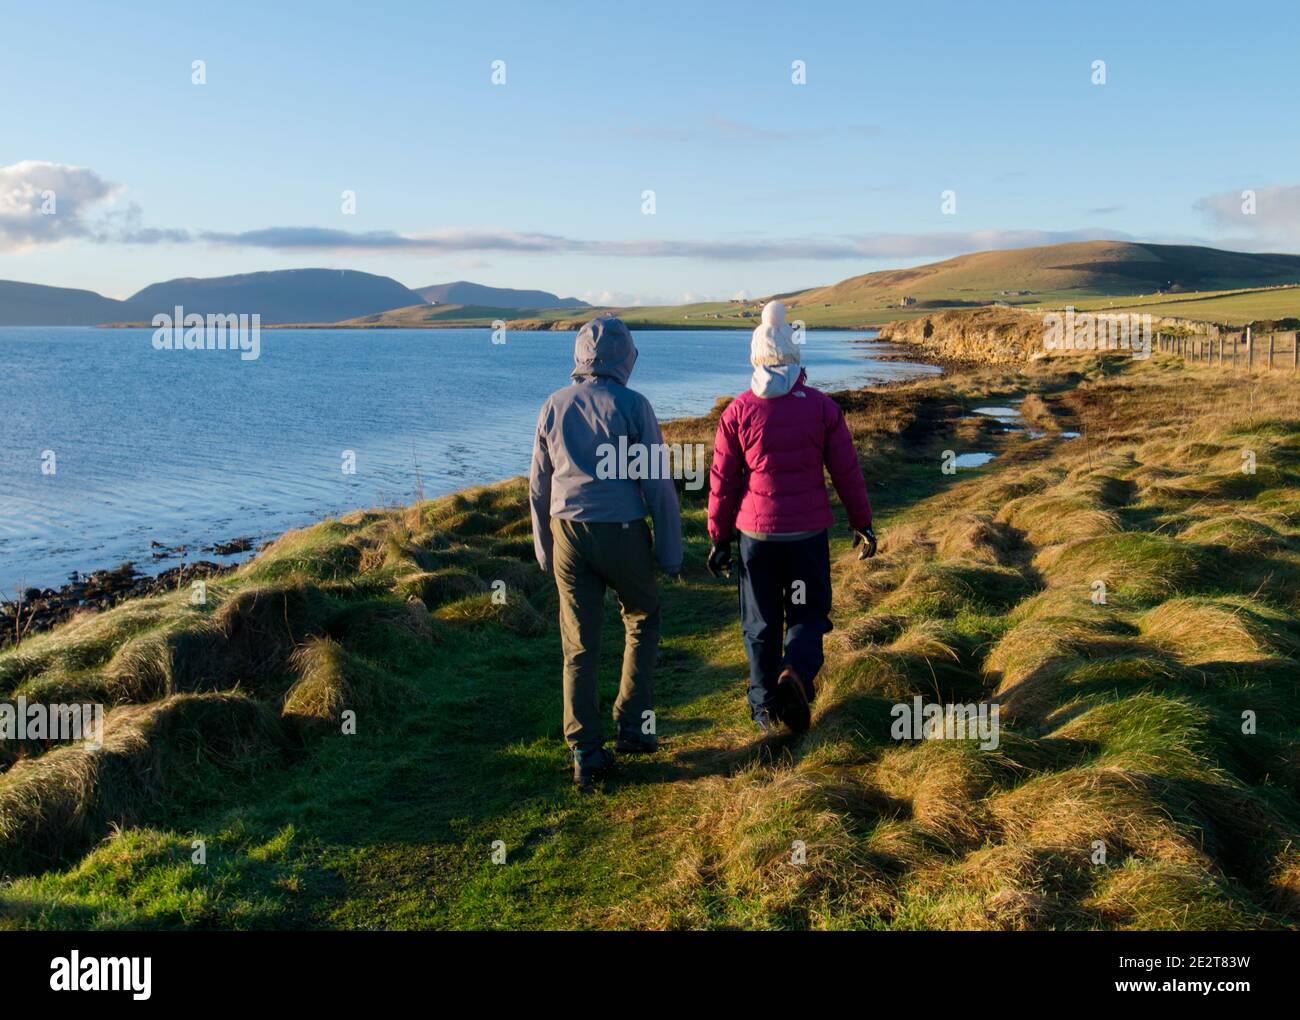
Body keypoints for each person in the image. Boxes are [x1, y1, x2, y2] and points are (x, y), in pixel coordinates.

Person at [706, 300, 876, 734]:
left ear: (756, 357)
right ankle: (795, 674)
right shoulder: (821, 408)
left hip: (755, 537)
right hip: (805, 537)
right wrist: (862, 522)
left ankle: (764, 708)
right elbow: (846, 471)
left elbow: (722, 481)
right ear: (794, 356)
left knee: (760, 622)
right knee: (806, 611)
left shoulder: (737, 411)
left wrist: (718, 538)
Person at [530, 316, 683, 789]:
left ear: (579, 355)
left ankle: (585, 750)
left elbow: (538, 486)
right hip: (622, 529)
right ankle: (634, 726)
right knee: (641, 617)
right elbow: (657, 484)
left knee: (579, 643)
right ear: (625, 357)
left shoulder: (553, 405)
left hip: (568, 532)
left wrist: (544, 547)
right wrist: (671, 553)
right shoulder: (635, 406)